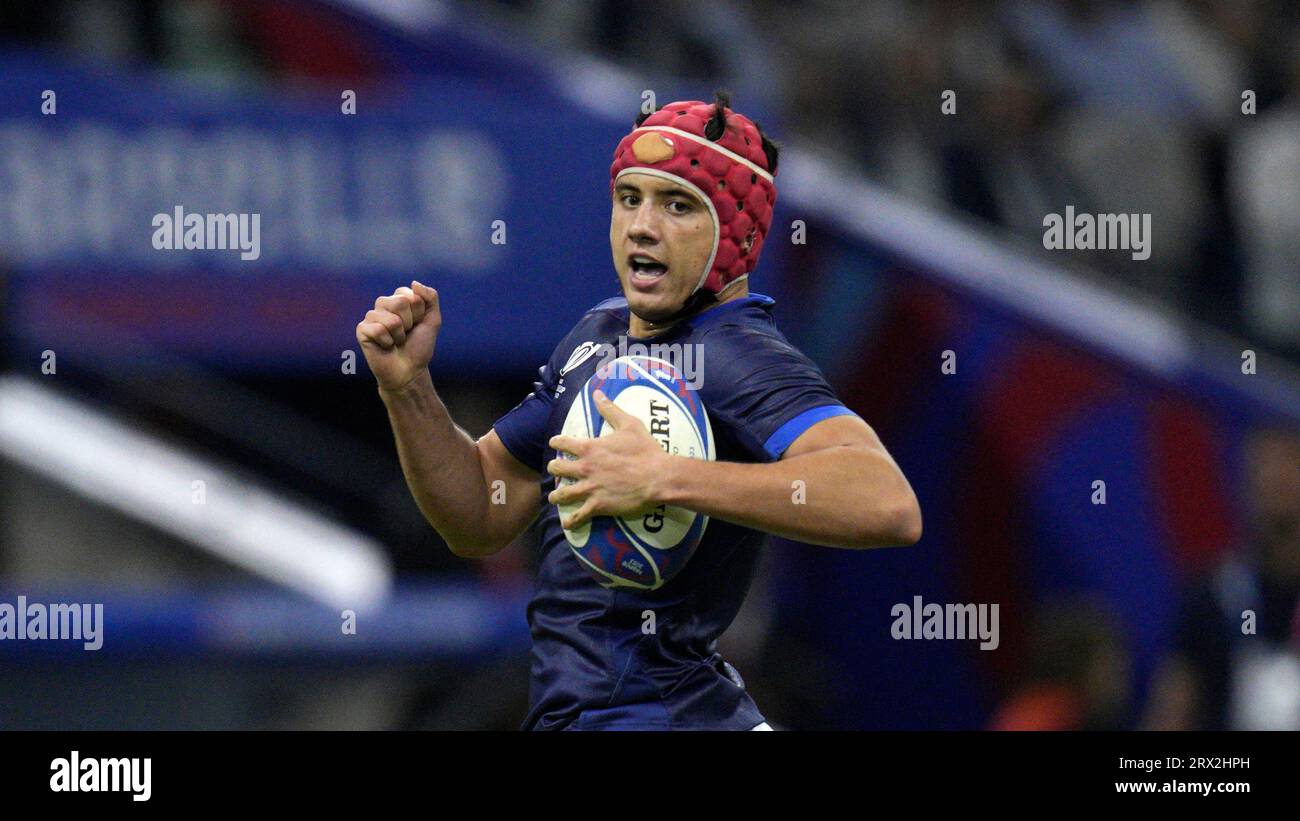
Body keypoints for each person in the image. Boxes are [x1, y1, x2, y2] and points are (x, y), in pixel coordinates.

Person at [356, 93, 922, 730]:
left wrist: (664, 478)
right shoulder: (594, 337)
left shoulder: (738, 354)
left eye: (678, 205)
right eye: (630, 198)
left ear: (739, 232)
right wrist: (408, 391)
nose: (641, 226)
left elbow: (887, 503)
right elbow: (480, 514)